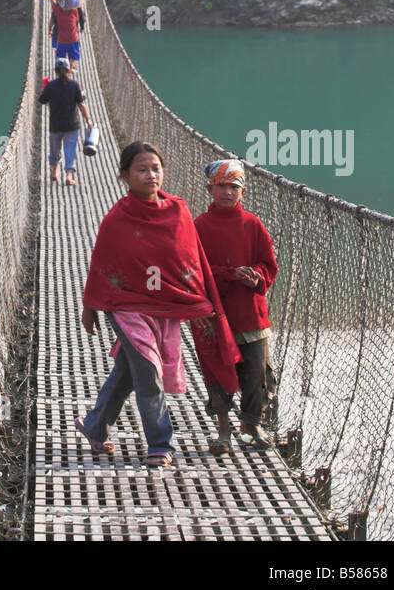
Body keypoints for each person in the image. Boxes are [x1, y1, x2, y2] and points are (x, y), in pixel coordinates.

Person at [77, 142, 241, 468]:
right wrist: (90, 304)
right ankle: (159, 443)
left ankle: (95, 425)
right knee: (149, 372)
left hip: (165, 307)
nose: (151, 175)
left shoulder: (177, 211)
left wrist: (198, 303)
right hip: (126, 307)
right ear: (124, 175)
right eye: (141, 169)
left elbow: (191, 261)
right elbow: (103, 264)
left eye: (156, 168)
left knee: (129, 369)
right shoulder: (116, 219)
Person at [195, 159, 278, 453]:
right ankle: (223, 429)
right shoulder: (199, 226)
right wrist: (229, 274)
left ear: (243, 192)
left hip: (251, 315)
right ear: (209, 189)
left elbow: (268, 264)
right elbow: (194, 270)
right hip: (215, 315)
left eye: (234, 187)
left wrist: (256, 275)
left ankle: (250, 425)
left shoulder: (252, 224)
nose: (227, 192)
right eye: (221, 186)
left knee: (258, 372)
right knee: (218, 371)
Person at [39, 58, 93, 186]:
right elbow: (81, 104)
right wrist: (88, 120)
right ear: (69, 71)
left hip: (55, 125)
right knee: (70, 149)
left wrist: (46, 90)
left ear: (55, 72)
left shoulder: (50, 86)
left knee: (54, 149)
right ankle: (69, 176)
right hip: (72, 124)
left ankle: (54, 172)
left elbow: (42, 100)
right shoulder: (75, 85)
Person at [48, 0, 87, 71]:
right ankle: (71, 68)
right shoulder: (74, 10)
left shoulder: (57, 10)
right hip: (73, 39)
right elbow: (77, 18)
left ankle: (63, 69)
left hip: (62, 40)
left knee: (60, 56)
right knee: (73, 57)